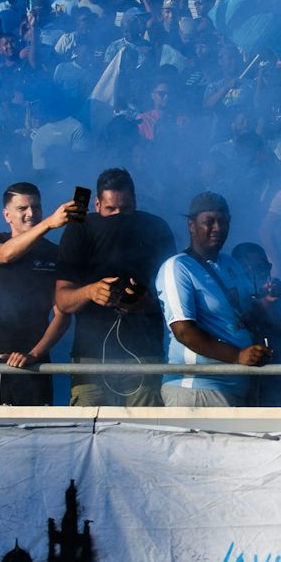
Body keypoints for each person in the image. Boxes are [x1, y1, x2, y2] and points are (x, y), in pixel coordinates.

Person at [53, 168, 176, 407]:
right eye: (111, 210)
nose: (119, 216)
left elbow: (176, 300)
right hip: (91, 358)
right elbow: (62, 300)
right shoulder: (80, 230)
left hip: (144, 354)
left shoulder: (155, 228)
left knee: (147, 434)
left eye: (125, 209)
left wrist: (145, 304)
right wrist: (90, 291)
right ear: (97, 204)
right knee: (88, 434)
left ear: (135, 203)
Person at [156, 192, 272, 406]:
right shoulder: (178, 266)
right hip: (196, 389)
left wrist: (268, 299)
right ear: (191, 225)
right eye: (209, 222)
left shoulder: (230, 264)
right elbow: (183, 331)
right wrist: (238, 355)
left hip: (236, 387)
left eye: (223, 221)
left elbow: (247, 313)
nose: (217, 228)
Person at [0, 182, 78, 406]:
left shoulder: (54, 253)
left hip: (34, 363)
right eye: (23, 209)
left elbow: (62, 314)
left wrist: (35, 354)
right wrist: (49, 223)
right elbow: (4, 255)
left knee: (36, 434)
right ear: (6, 215)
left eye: (36, 208)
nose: (31, 214)